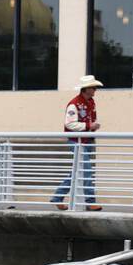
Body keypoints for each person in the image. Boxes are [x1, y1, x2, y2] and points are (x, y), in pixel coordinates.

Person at [51, 76, 103, 211]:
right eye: (93, 87)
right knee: (86, 169)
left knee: (78, 171)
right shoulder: (74, 104)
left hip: (86, 140)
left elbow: (89, 119)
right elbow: (69, 124)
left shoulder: (91, 102)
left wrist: (91, 126)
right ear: (86, 89)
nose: (95, 90)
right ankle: (90, 201)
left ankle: (58, 196)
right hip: (76, 140)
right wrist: (89, 126)